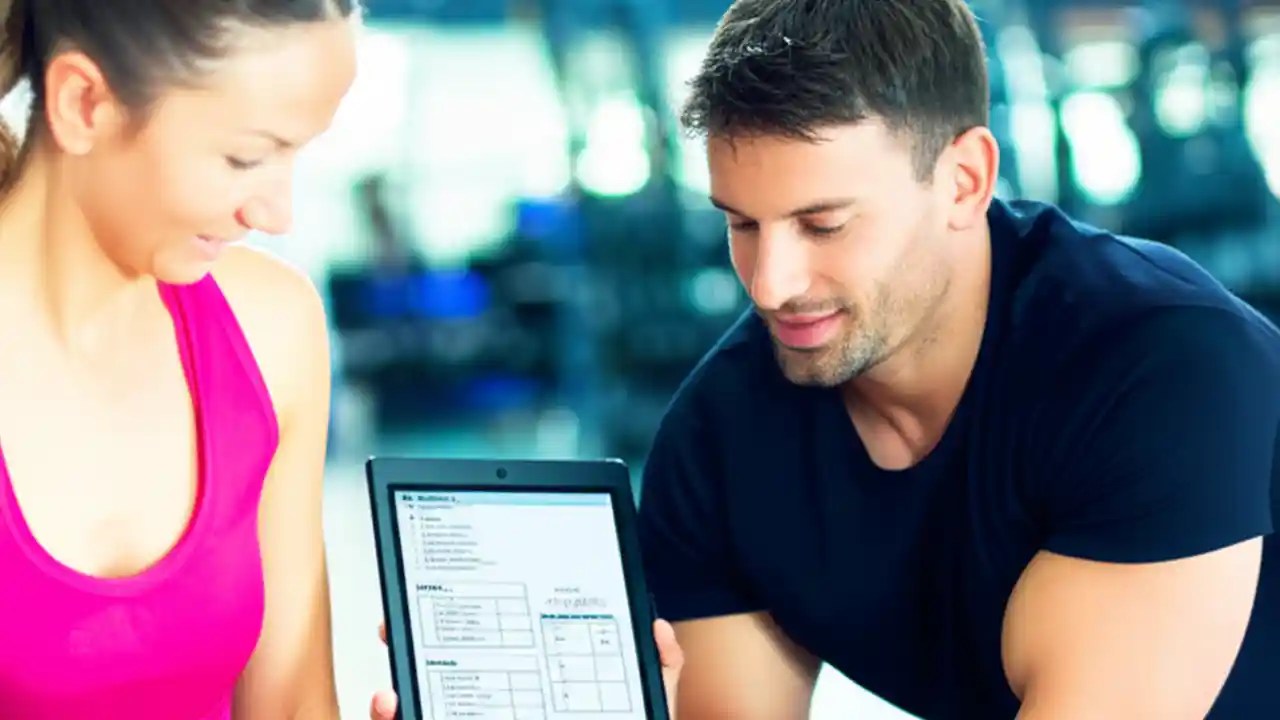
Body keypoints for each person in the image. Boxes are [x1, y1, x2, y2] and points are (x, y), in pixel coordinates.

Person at [635, 0, 1280, 718]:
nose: (769, 284)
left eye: (824, 225)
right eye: (742, 224)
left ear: (964, 180)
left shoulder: (1161, 370)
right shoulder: (716, 445)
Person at [0, 1, 360, 718]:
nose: (276, 213)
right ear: (84, 103)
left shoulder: (273, 332)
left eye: (298, 153)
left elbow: (292, 703)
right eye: (246, 158)